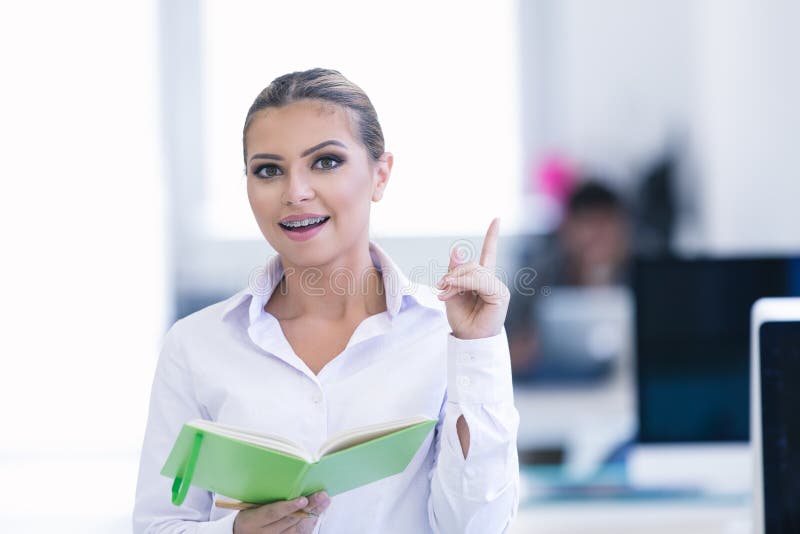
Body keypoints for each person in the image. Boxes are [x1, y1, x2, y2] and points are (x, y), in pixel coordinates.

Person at [133, 68, 520, 533]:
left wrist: (477, 346)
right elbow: (158, 525)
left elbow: (475, 528)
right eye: (268, 170)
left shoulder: (445, 336)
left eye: (325, 162)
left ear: (380, 176)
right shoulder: (196, 345)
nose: (295, 192)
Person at [506, 180, 631, 377]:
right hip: (553, 395)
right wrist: (517, 351)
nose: (598, 236)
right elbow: (506, 342)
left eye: (606, 224)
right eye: (589, 223)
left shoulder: (639, 276)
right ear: (567, 229)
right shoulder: (539, 276)